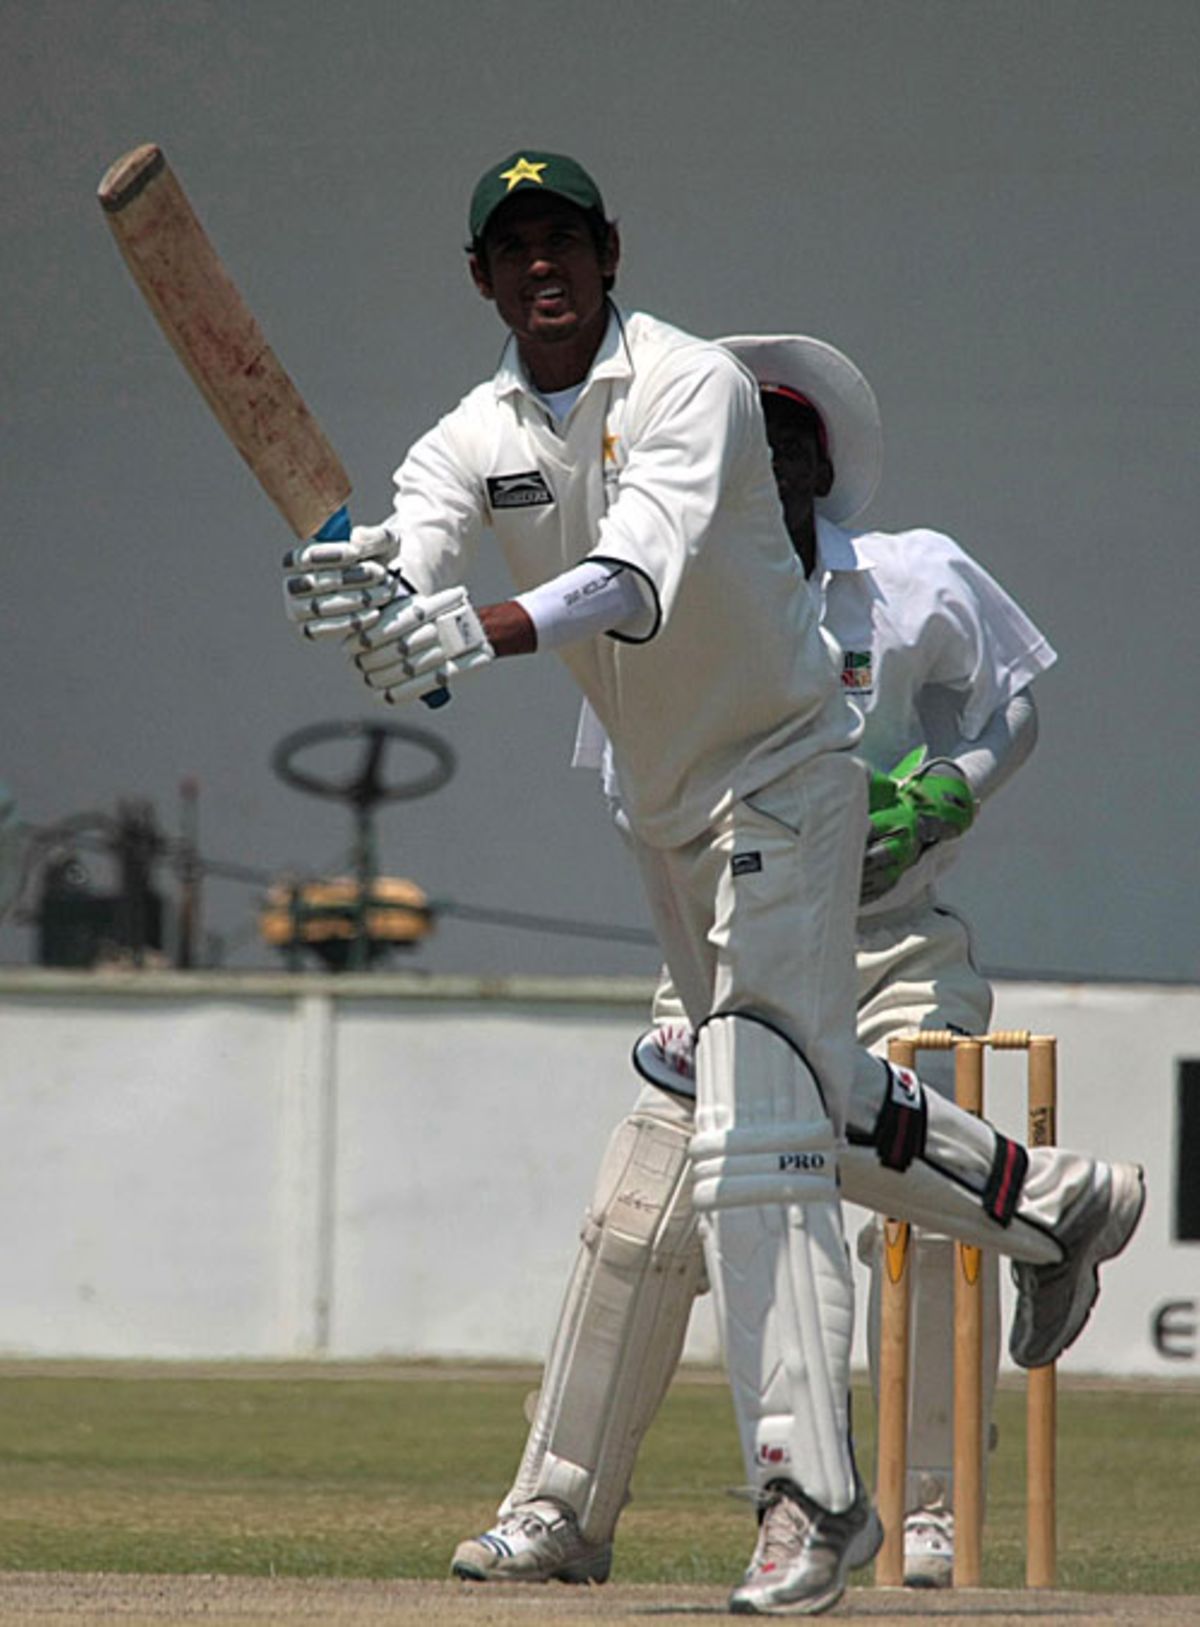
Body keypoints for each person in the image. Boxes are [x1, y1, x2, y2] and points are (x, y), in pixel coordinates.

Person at [281, 155, 1144, 1616]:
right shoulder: (472, 430)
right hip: (668, 815)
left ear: (611, 252)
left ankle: (812, 1501)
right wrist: (377, 588)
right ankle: (1050, 1200)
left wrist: (468, 631)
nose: (543, 265)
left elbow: (631, 575)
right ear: (481, 276)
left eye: (565, 239)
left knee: (749, 1119)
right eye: (515, 247)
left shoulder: (693, 388)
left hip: (785, 774)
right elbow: (425, 530)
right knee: (782, 1106)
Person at [571, 332, 1056, 1588]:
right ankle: (558, 1508)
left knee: (926, 1219)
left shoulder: (911, 576)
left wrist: (953, 784)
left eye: (785, 441)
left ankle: (930, 1505)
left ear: (817, 464)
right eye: (739, 441)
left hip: (895, 951)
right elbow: (632, 793)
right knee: (639, 1219)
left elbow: (1015, 699)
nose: (765, 463)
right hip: (729, 968)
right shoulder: (655, 612)